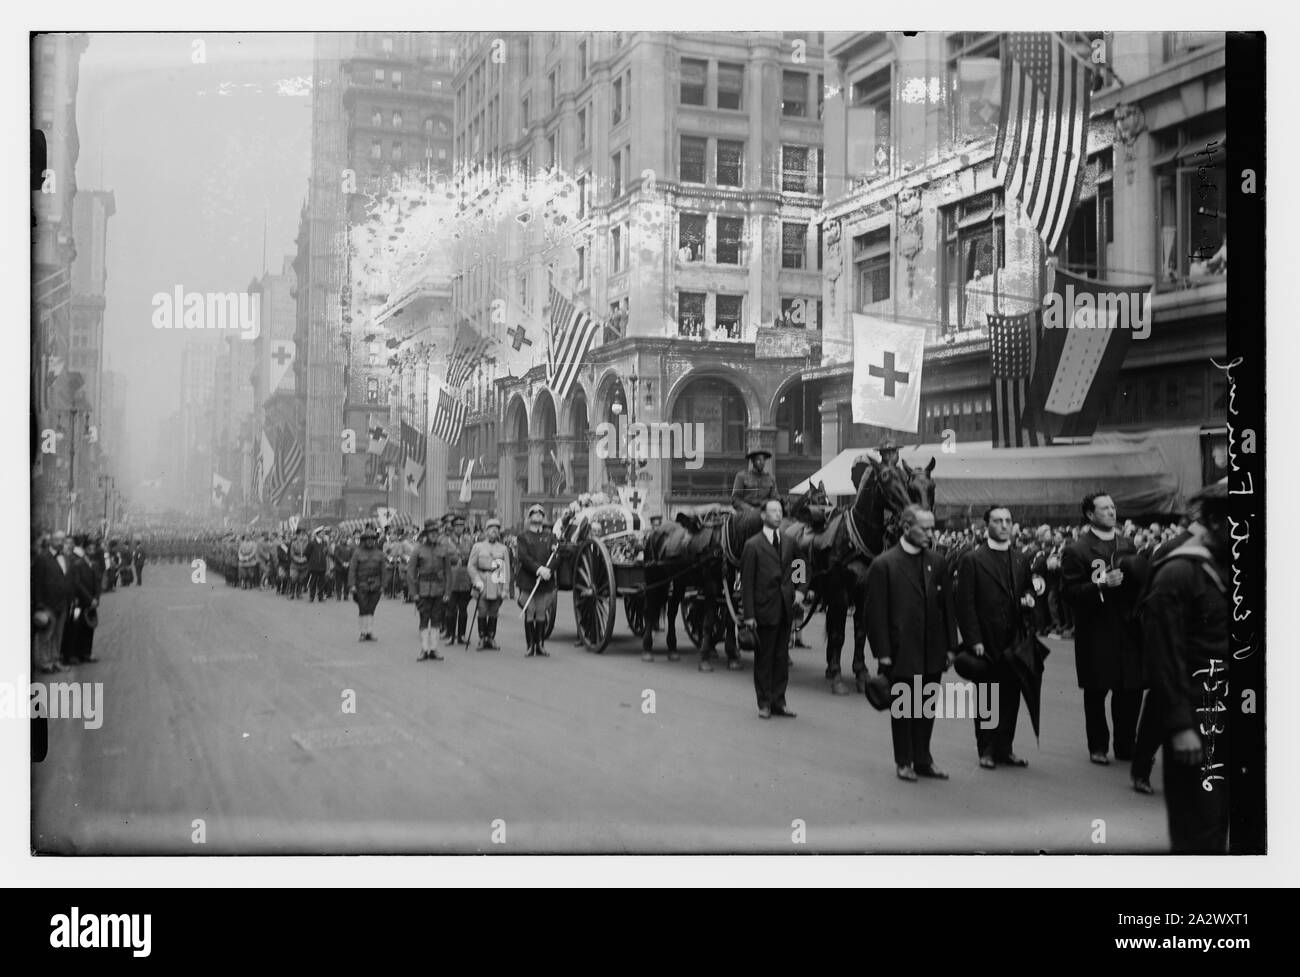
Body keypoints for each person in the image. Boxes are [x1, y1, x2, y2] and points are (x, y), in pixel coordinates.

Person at [1139, 482, 1232, 853]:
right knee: (1201, 833)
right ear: (1214, 520)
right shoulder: (1179, 572)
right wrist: (1179, 726)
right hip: (1197, 722)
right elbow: (1164, 657)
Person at [866, 505, 959, 782]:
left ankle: (923, 759)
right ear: (906, 528)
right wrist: (883, 654)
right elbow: (875, 615)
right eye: (926, 528)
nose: (932, 533)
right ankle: (903, 760)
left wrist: (952, 645)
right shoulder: (884, 564)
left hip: (933, 648)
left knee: (926, 707)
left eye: (933, 527)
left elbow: (948, 609)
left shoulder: (938, 562)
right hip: (900, 650)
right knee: (904, 708)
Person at [1060, 492, 1145, 766]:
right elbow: (1069, 592)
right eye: (1104, 508)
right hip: (1096, 630)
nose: (1111, 511)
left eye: (1112, 506)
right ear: (1090, 515)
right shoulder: (1077, 550)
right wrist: (1100, 585)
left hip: (1127, 627)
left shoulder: (1128, 544)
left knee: (1130, 690)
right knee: (1097, 691)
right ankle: (1097, 746)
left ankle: (1125, 744)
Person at [956, 506, 1036, 770]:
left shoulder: (1020, 559)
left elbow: (1028, 592)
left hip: (1014, 640)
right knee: (988, 696)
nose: (1004, 525)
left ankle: (1005, 748)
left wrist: (1028, 600)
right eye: (998, 521)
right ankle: (986, 749)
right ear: (986, 525)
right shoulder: (973, 559)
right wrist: (973, 639)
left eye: (1008, 521)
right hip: (987, 640)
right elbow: (965, 604)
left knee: (1012, 695)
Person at [740, 497, 800, 719]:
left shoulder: (789, 542)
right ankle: (764, 703)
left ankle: (779, 702)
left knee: (781, 658)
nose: (778, 515)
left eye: (780, 511)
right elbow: (747, 584)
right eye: (773, 511)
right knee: (764, 659)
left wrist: (800, 590)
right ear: (763, 516)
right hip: (764, 611)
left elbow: (799, 565)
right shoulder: (752, 545)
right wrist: (749, 616)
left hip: (784, 609)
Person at [515, 503, 557, 658]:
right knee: (530, 612)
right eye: (534, 513)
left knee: (541, 613)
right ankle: (530, 645)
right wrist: (539, 569)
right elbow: (524, 557)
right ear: (529, 517)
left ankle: (540, 645)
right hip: (528, 581)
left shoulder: (550, 537)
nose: (538, 516)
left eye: (541, 514)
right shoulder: (523, 537)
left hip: (545, 581)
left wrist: (549, 570)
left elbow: (556, 555)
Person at [467, 517, 512, 650]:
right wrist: (476, 580)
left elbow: (506, 569)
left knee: (494, 611)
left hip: (497, 581)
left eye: (496, 530)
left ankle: (491, 637)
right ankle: (482, 638)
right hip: (482, 581)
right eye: (491, 529)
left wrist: (505, 589)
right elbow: (471, 566)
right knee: (482, 610)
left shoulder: (503, 549)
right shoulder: (478, 547)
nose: (494, 532)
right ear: (486, 531)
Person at [32, 530, 73, 675]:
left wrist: (71, 599)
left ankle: (55, 660)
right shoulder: (42, 558)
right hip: (47, 604)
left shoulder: (66, 558)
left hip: (63, 603)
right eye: (57, 540)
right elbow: (36, 582)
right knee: (46, 635)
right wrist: (39, 604)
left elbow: (68, 579)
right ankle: (45, 662)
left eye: (62, 540)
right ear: (51, 541)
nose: (60, 543)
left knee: (58, 634)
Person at [408, 519, 449, 662]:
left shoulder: (443, 550)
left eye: (436, 532)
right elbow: (411, 572)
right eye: (431, 533)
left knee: (437, 620)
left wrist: (447, 592)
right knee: (424, 619)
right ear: (425, 534)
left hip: (439, 590)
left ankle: (434, 649)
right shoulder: (418, 549)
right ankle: (424, 649)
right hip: (423, 590)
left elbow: (448, 573)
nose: (433, 535)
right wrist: (414, 593)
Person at [61, 534, 101, 666]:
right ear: (84, 550)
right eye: (89, 549)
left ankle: (86, 653)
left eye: (93, 549)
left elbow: (97, 583)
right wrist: (90, 599)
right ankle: (73, 654)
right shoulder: (78, 564)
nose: (91, 551)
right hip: (80, 602)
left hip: (91, 603)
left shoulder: (94, 565)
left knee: (89, 627)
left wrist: (96, 598)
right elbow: (78, 584)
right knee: (75, 627)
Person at [348, 527, 385, 641]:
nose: (370, 541)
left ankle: (369, 631)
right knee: (363, 607)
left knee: (371, 608)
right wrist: (352, 585)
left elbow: (383, 571)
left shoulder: (380, 554)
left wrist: (383, 585)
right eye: (368, 539)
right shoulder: (357, 553)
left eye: (372, 539)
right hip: (361, 584)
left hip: (376, 584)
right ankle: (363, 632)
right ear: (364, 540)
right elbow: (352, 569)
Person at [444, 514, 475, 645]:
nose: (460, 528)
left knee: (463, 609)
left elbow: (473, 557)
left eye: (462, 525)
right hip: (451, 578)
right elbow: (443, 558)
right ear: (453, 527)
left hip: (465, 578)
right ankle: (451, 635)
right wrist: (456, 559)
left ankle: (461, 635)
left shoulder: (469, 541)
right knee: (451, 609)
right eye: (457, 525)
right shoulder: (445, 541)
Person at [730, 448, 779, 513]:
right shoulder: (741, 476)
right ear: (753, 461)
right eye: (758, 459)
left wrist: (765, 504)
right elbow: (735, 499)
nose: (762, 462)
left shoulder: (770, 478)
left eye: (763, 459)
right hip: (746, 514)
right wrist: (750, 509)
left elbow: (775, 498)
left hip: (764, 513)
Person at [305, 529, 329, 602]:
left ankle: (320, 597)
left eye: (323, 533)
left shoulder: (324, 543)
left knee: (322, 582)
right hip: (314, 566)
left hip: (322, 565)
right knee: (313, 582)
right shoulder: (311, 543)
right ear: (317, 534)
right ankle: (311, 597)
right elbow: (307, 553)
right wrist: (312, 561)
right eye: (322, 533)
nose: (323, 534)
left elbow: (326, 553)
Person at [332, 532, 355, 601]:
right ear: (340, 539)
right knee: (338, 582)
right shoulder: (338, 546)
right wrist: (342, 563)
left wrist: (348, 563)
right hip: (339, 567)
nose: (344, 539)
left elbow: (352, 556)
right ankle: (339, 596)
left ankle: (346, 595)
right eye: (343, 538)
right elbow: (336, 556)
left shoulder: (349, 547)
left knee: (346, 582)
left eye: (345, 538)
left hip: (348, 567)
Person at [289, 528, 310, 599]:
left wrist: (305, 558)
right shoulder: (293, 543)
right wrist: (298, 559)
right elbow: (292, 554)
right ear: (297, 535)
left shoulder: (307, 543)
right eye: (300, 534)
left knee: (301, 579)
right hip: (295, 564)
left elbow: (309, 553)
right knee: (294, 578)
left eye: (303, 534)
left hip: (304, 563)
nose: (302, 536)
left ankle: (299, 593)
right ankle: (291, 593)